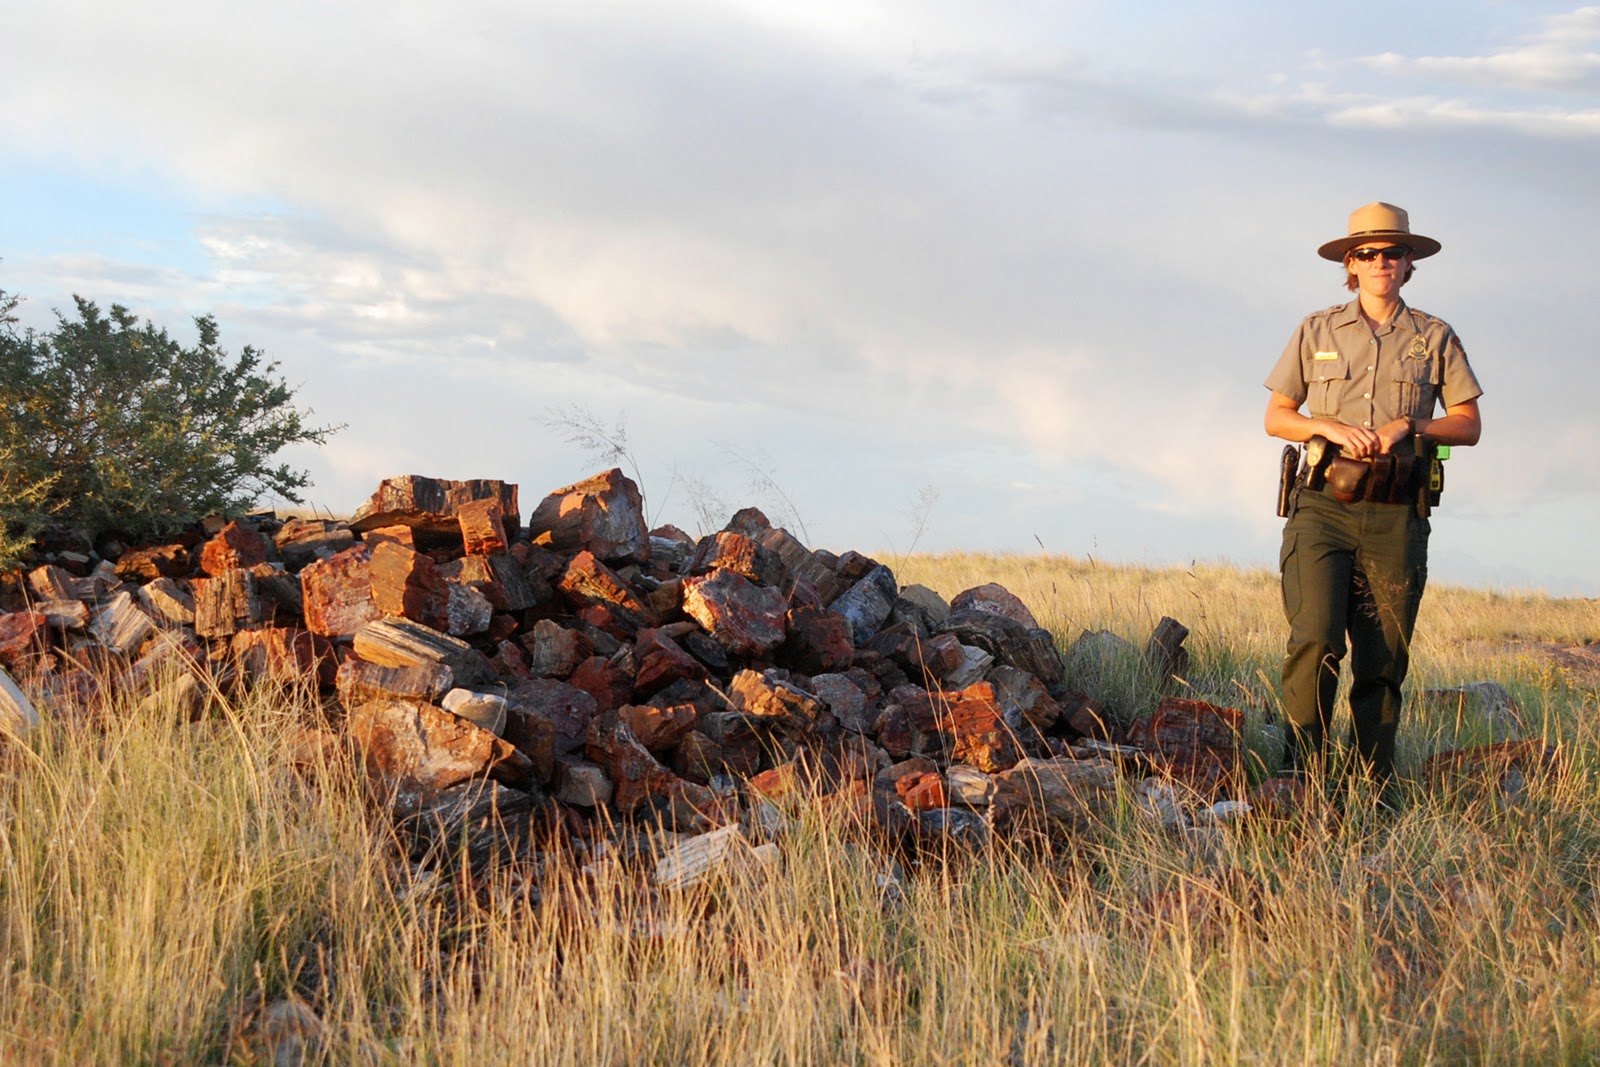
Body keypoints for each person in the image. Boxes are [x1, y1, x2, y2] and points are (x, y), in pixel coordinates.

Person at [1263, 202, 1483, 785]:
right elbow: (1276, 417)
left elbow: (1468, 424)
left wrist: (1410, 427)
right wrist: (1327, 427)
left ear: (1410, 263)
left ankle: (1371, 793)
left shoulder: (1435, 336)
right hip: (1322, 509)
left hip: (1396, 516)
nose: (1381, 261)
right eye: (1368, 253)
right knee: (1315, 642)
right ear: (1350, 265)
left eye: (1394, 252)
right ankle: (1301, 784)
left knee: (1383, 662)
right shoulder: (1316, 329)